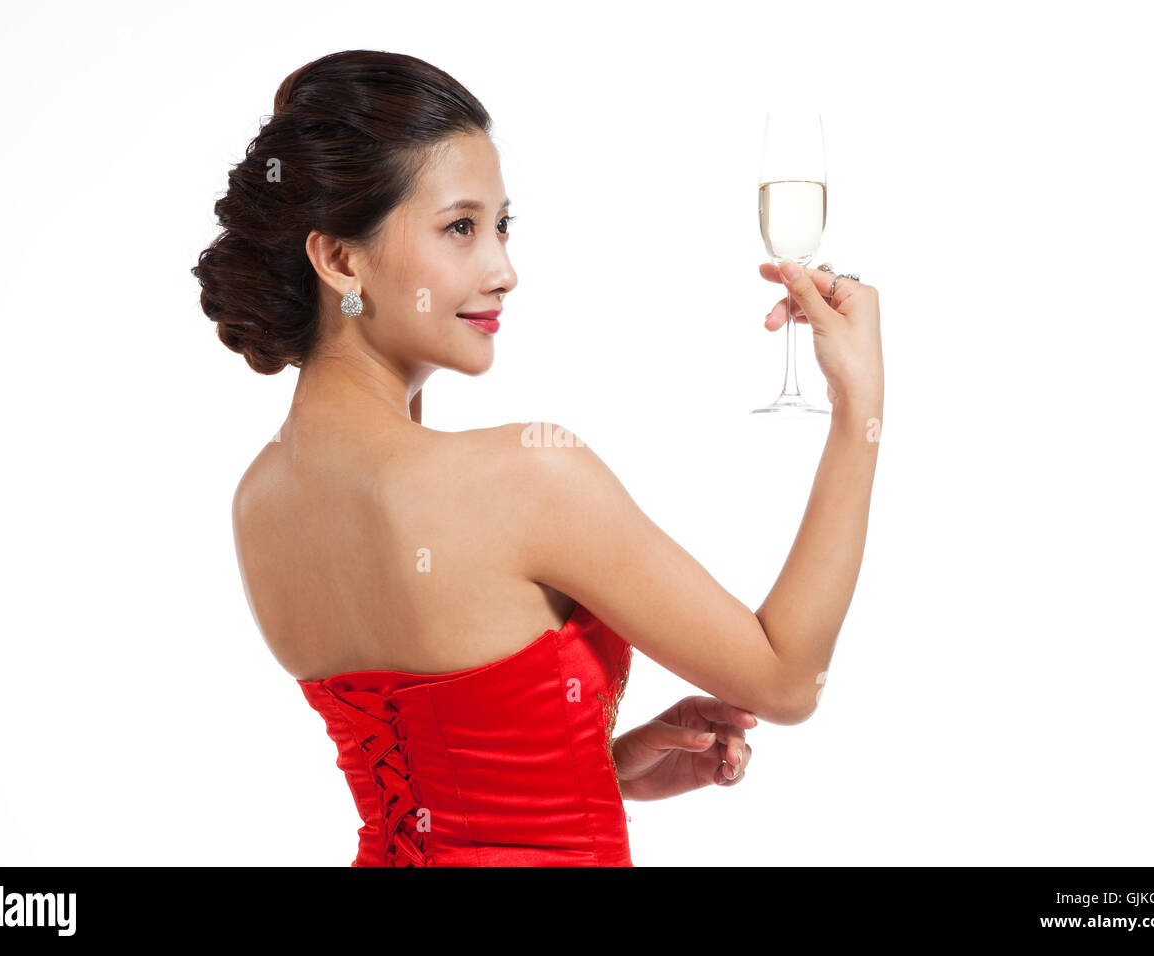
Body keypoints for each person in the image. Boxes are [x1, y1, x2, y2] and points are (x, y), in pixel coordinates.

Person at [192, 50, 884, 866]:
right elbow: (786, 680)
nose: (504, 270)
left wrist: (595, 773)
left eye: (502, 225)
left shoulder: (259, 500)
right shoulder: (526, 475)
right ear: (342, 261)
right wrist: (859, 410)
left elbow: (435, 801)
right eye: (460, 227)